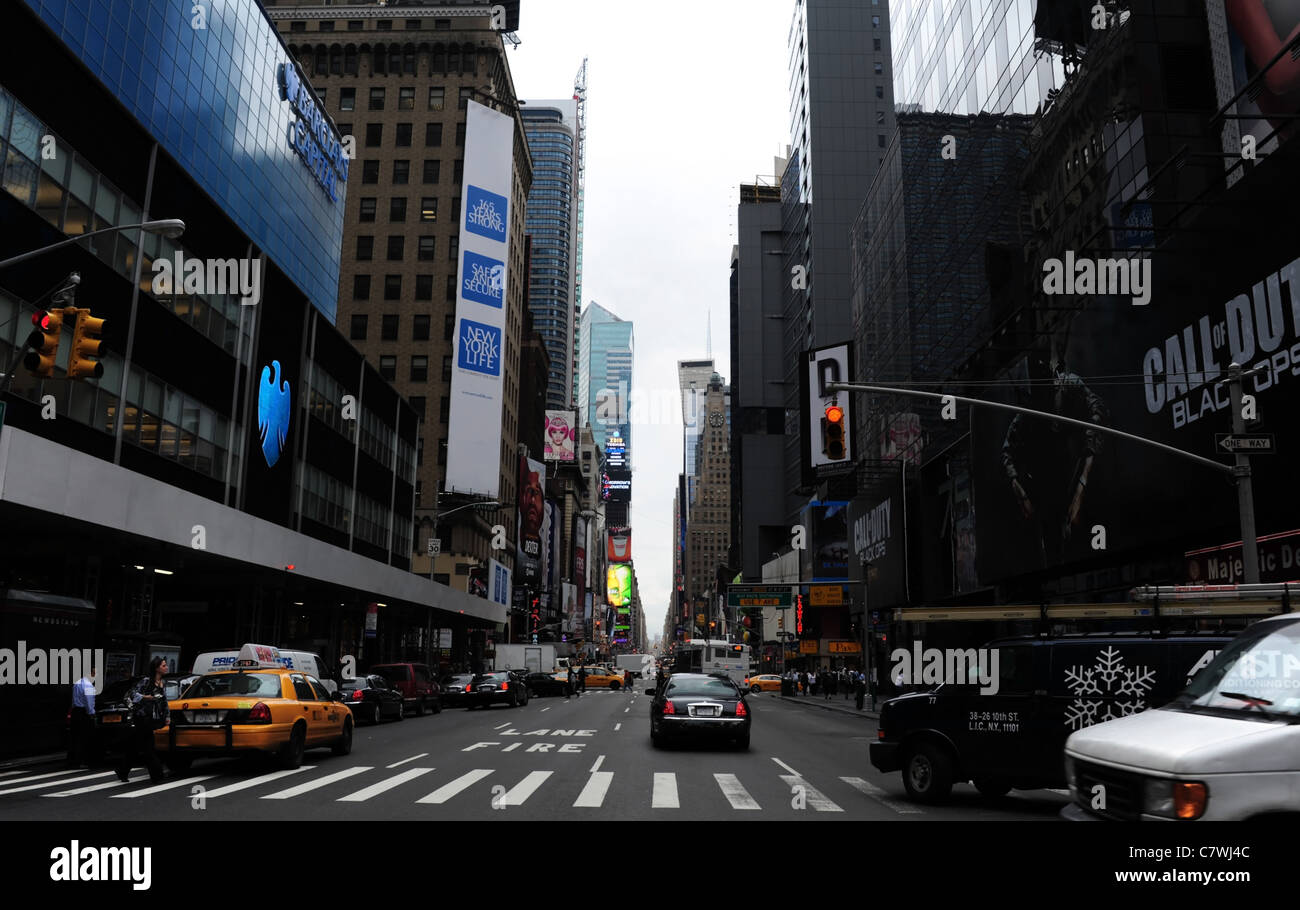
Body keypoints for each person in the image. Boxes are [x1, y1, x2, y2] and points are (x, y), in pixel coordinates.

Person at [118, 657, 170, 783]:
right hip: (141, 718)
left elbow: (164, 701)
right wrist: (145, 697)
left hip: (151, 719)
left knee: (135, 747)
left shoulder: (162, 682)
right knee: (149, 748)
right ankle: (157, 776)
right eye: (163, 665)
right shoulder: (146, 681)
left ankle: (122, 771)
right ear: (157, 668)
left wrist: (167, 716)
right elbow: (131, 694)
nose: (166, 667)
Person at [67, 665, 97, 768]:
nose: (95, 675)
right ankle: (82, 761)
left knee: (74, 737)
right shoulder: (88, 686)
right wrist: (92, 714)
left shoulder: (77, 683)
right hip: (84, 713)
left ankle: (72, 761)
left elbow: (73, 700)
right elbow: (89, 703)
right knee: (85, 738)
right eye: (93, 673)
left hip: (76, 712)